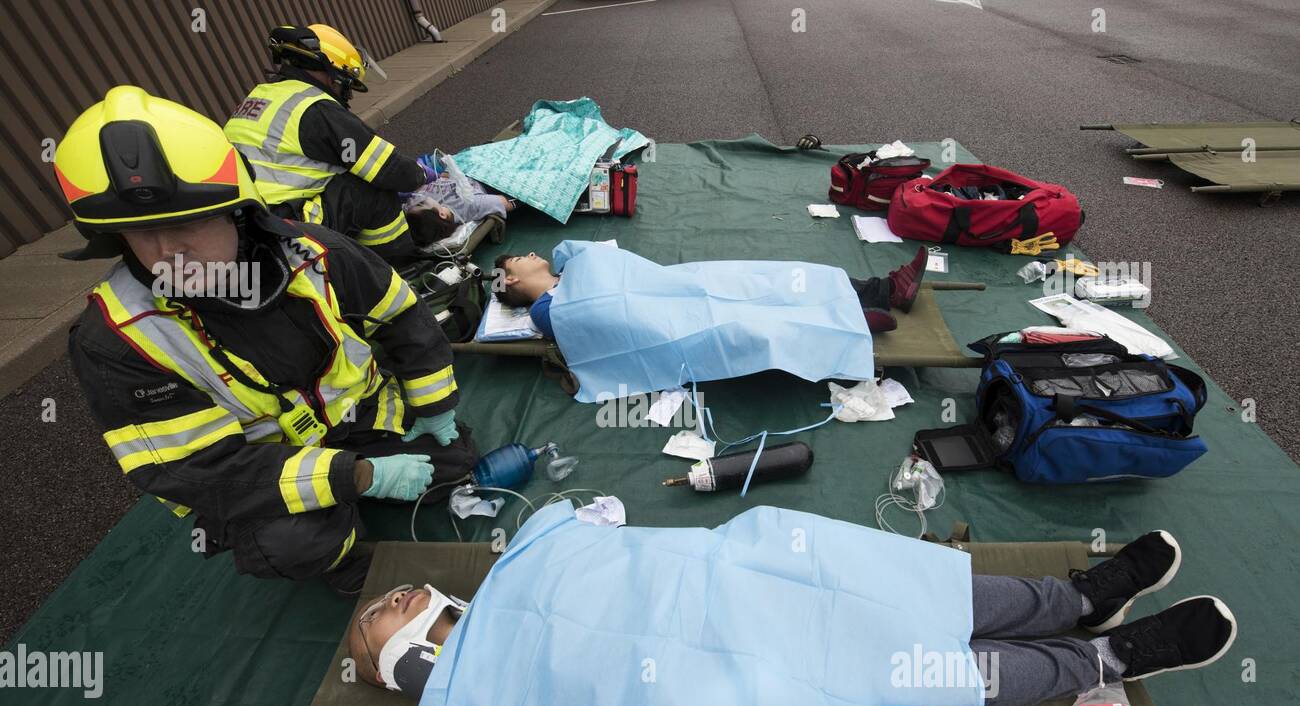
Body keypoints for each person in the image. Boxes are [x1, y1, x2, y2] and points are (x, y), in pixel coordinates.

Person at [56, 86, 477, 595]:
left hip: (358, 418)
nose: (169, 251)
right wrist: (359, 477)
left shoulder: (318, 251)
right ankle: (343, 560)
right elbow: (199, 471)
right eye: (140, 233)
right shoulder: (116, 339)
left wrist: (436, 407)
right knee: (293, 544)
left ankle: (363, 480)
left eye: (187, 221)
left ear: (239, 209)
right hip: (264, 472)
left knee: (453, 462)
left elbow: (405, 319)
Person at [352, 529, 1237, 706]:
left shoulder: (520, 571)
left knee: (920, 591)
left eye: (389, 594)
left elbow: (611, 552)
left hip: (746, 590)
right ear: (412, 660)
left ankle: (1080, 601)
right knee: (944, 676)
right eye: (378, 620)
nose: (388, 598)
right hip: (757, 676)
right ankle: (1107, 660)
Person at [224, 24, 432, 263]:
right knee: (372, 191)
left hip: (241, 227)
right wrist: (423, 175)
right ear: (330, 73)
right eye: (345, 83)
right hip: (281, 228)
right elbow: (390, 169)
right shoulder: (314, 107)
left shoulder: (262, 96)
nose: (346, 94)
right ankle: (395, 267)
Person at [494, 245, 931, 337]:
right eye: (518, 259)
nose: (530, 253)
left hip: (680, 283)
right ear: (511, 280)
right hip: (671, 315)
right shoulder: (546, 310)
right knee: (757, 314)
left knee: (772, 278)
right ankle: (856, 316)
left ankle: (885, 289)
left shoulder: (573, 271)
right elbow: (588, 322)